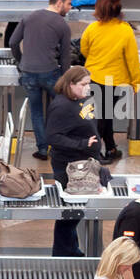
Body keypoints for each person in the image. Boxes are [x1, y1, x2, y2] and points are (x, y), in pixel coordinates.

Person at [9, 0, 74, 160]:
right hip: (50, 73)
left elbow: (13, 42)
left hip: (28, 72)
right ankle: (62, 146)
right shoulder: (62, 24)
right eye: (69, 4)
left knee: (36, 111)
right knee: (62, 108)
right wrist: (65, 79)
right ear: (59, 3)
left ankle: (43, 149)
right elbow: (65, 57)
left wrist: (21, 61)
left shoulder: (29, 17)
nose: (70, 8)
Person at [79, 0, 140, 163]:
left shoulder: (92, 28)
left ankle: (111, 148)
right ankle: (97, 152)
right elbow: (132, 59)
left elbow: (84, 49)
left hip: (92, 79)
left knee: (101, 118)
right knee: (103, 118)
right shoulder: (125, 30)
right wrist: (136, 84)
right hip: (113, 81)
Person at [46, 65, 99, 256]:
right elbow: (53, 137)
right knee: (69, 213)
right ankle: (61, 253)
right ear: (71, 84)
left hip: (85, 164)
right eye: (84, 84)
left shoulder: (82, 100)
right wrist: (83, 144)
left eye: (89, 83)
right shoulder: (61, 106)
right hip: (69, 167)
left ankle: (71, 248)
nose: (88, 87)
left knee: (76, 212)